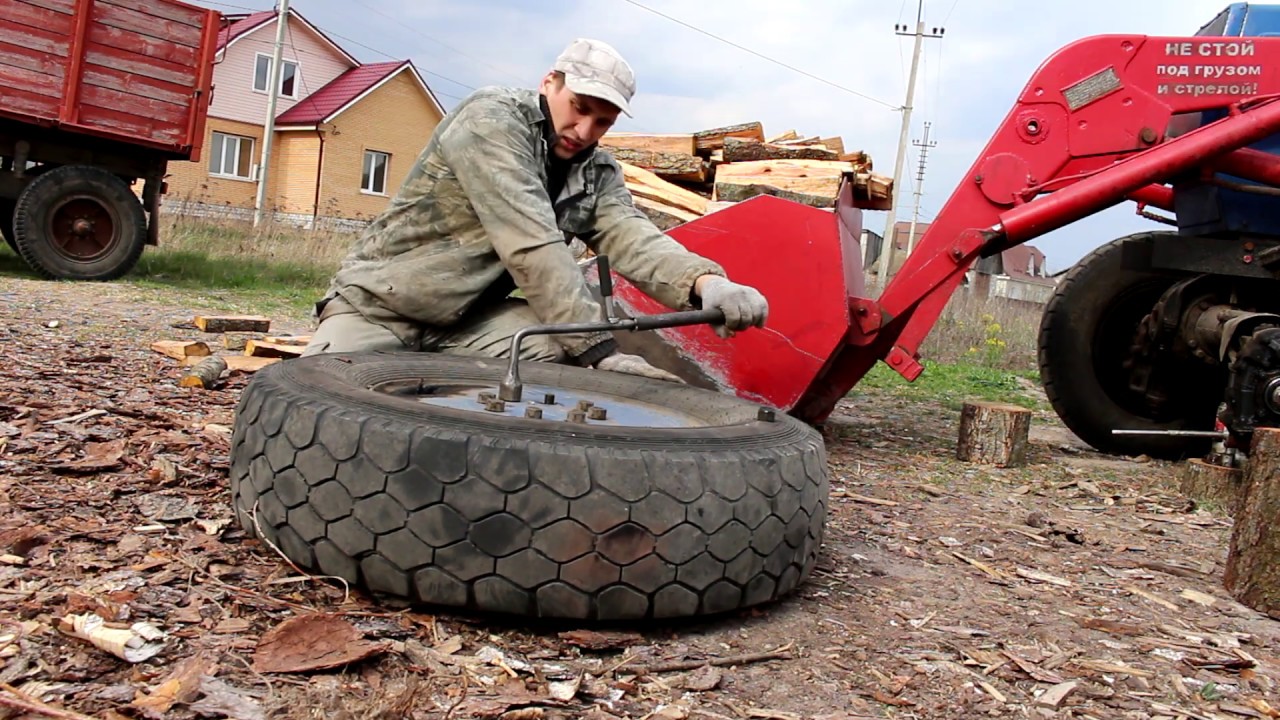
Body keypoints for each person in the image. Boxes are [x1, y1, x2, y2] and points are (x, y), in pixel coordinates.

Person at [302, 38, 769, 382]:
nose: (584, 130)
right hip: (381, 309)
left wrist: (707, 283)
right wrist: (597, 350)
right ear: (550, 83)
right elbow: (530, 241)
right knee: (323, 397)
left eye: (602, 121)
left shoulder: (594, 171)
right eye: (578, 108)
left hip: (472, 322)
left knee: (551, 347)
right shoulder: (492, 121)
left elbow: (631, 237)